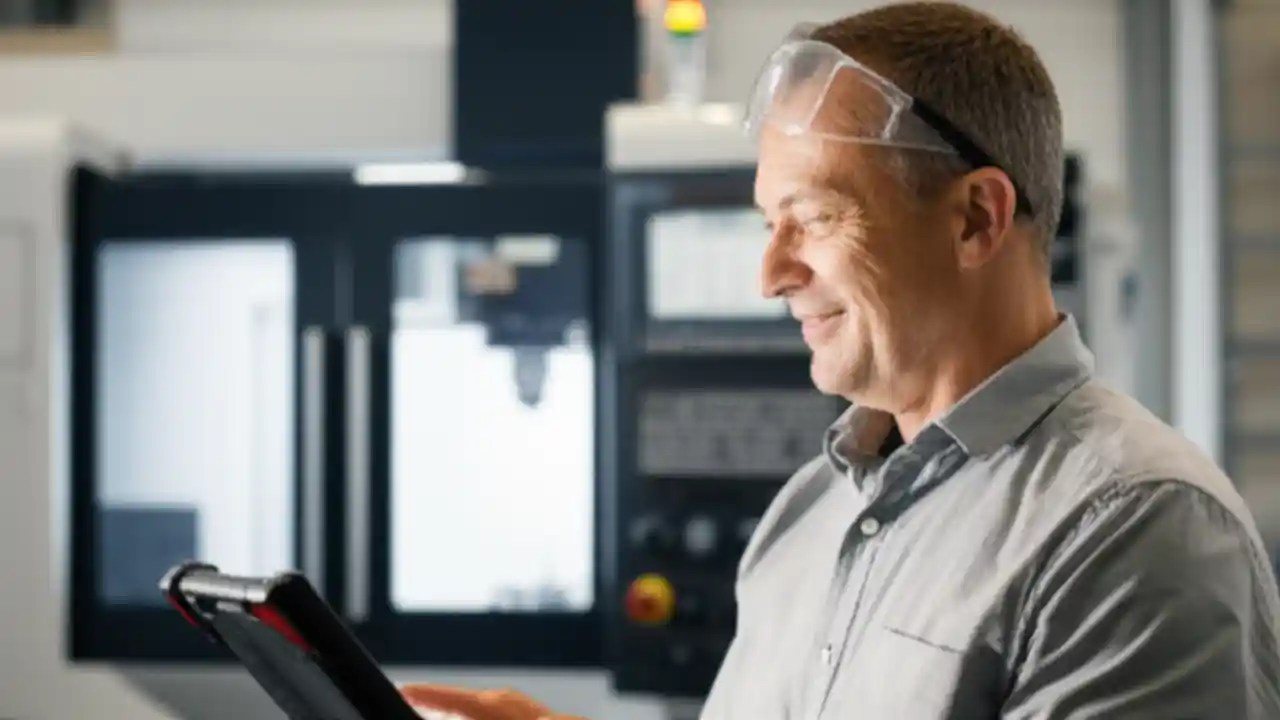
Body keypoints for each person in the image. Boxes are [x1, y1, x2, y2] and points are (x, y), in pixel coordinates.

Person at [404, 3, 1280, 718]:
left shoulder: (1136, 530)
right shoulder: (812, 512)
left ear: (975, 218)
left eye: (816, 217)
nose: (771, 274)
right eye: (766, 224)